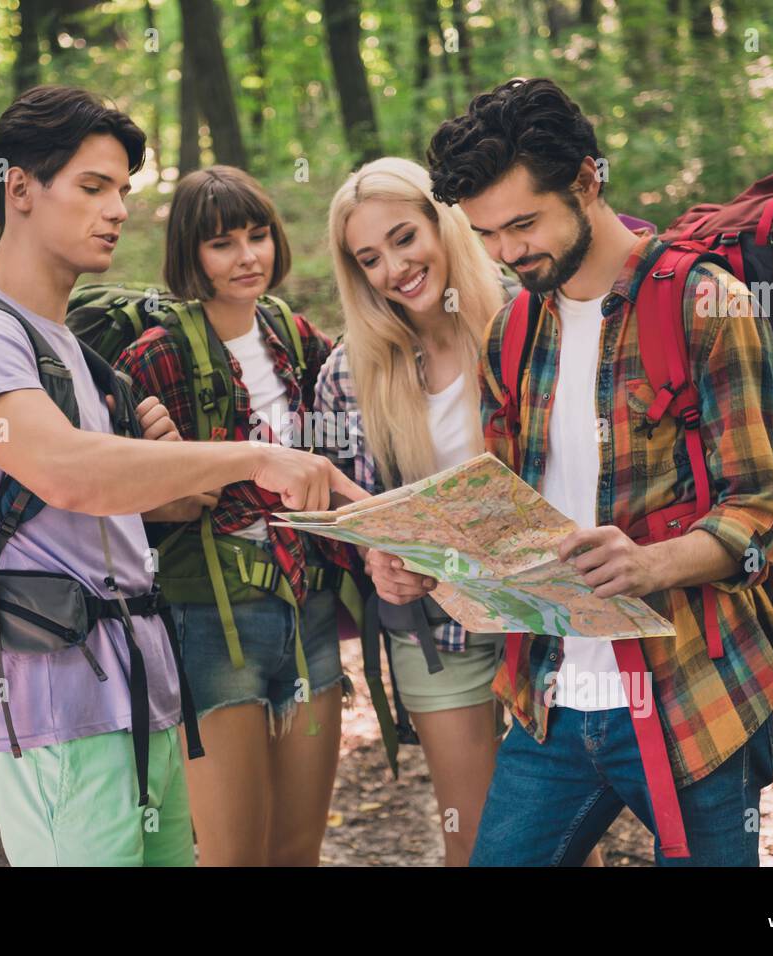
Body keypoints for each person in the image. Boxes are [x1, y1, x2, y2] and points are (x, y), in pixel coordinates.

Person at [0, 85, 364, 867]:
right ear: (19, 187)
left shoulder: (73, 356)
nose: (117, 209)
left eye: (122, 190)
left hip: (143, 704)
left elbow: (97, 512)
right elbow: (68, 474)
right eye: (92, 187)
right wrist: (256, 457)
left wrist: (168, 492)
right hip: (57, 718)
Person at [421, 77, 773, 866]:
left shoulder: (708, 305)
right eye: (486, 234)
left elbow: (760, 512)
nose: (506, 252)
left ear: (588, 180)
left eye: (524, 224)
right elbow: (510, 508)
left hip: (693, 694)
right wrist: (429, 558)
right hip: (552, 700)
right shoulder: (514, 330)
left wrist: (650, 562)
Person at [318, 156, 605, 866]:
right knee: (477, 843)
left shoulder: (535, 320)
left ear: (442, 223)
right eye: (370, 258)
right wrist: (381, 562)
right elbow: (362, 517)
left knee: (563, 840)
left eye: (404, 237)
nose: (395, 267)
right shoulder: (350, 374)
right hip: (437, 630)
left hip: (546, 611)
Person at [115, 166, 350, 866]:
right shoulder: (155, 357)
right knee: (231, 854)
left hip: (306, 605)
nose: (248, 256)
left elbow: (342, 444)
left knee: (298, 847)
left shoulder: (290, 331)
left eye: (258, 236)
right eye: (222, 243)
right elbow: (126, 501)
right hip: (213, 621)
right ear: (191, 254)